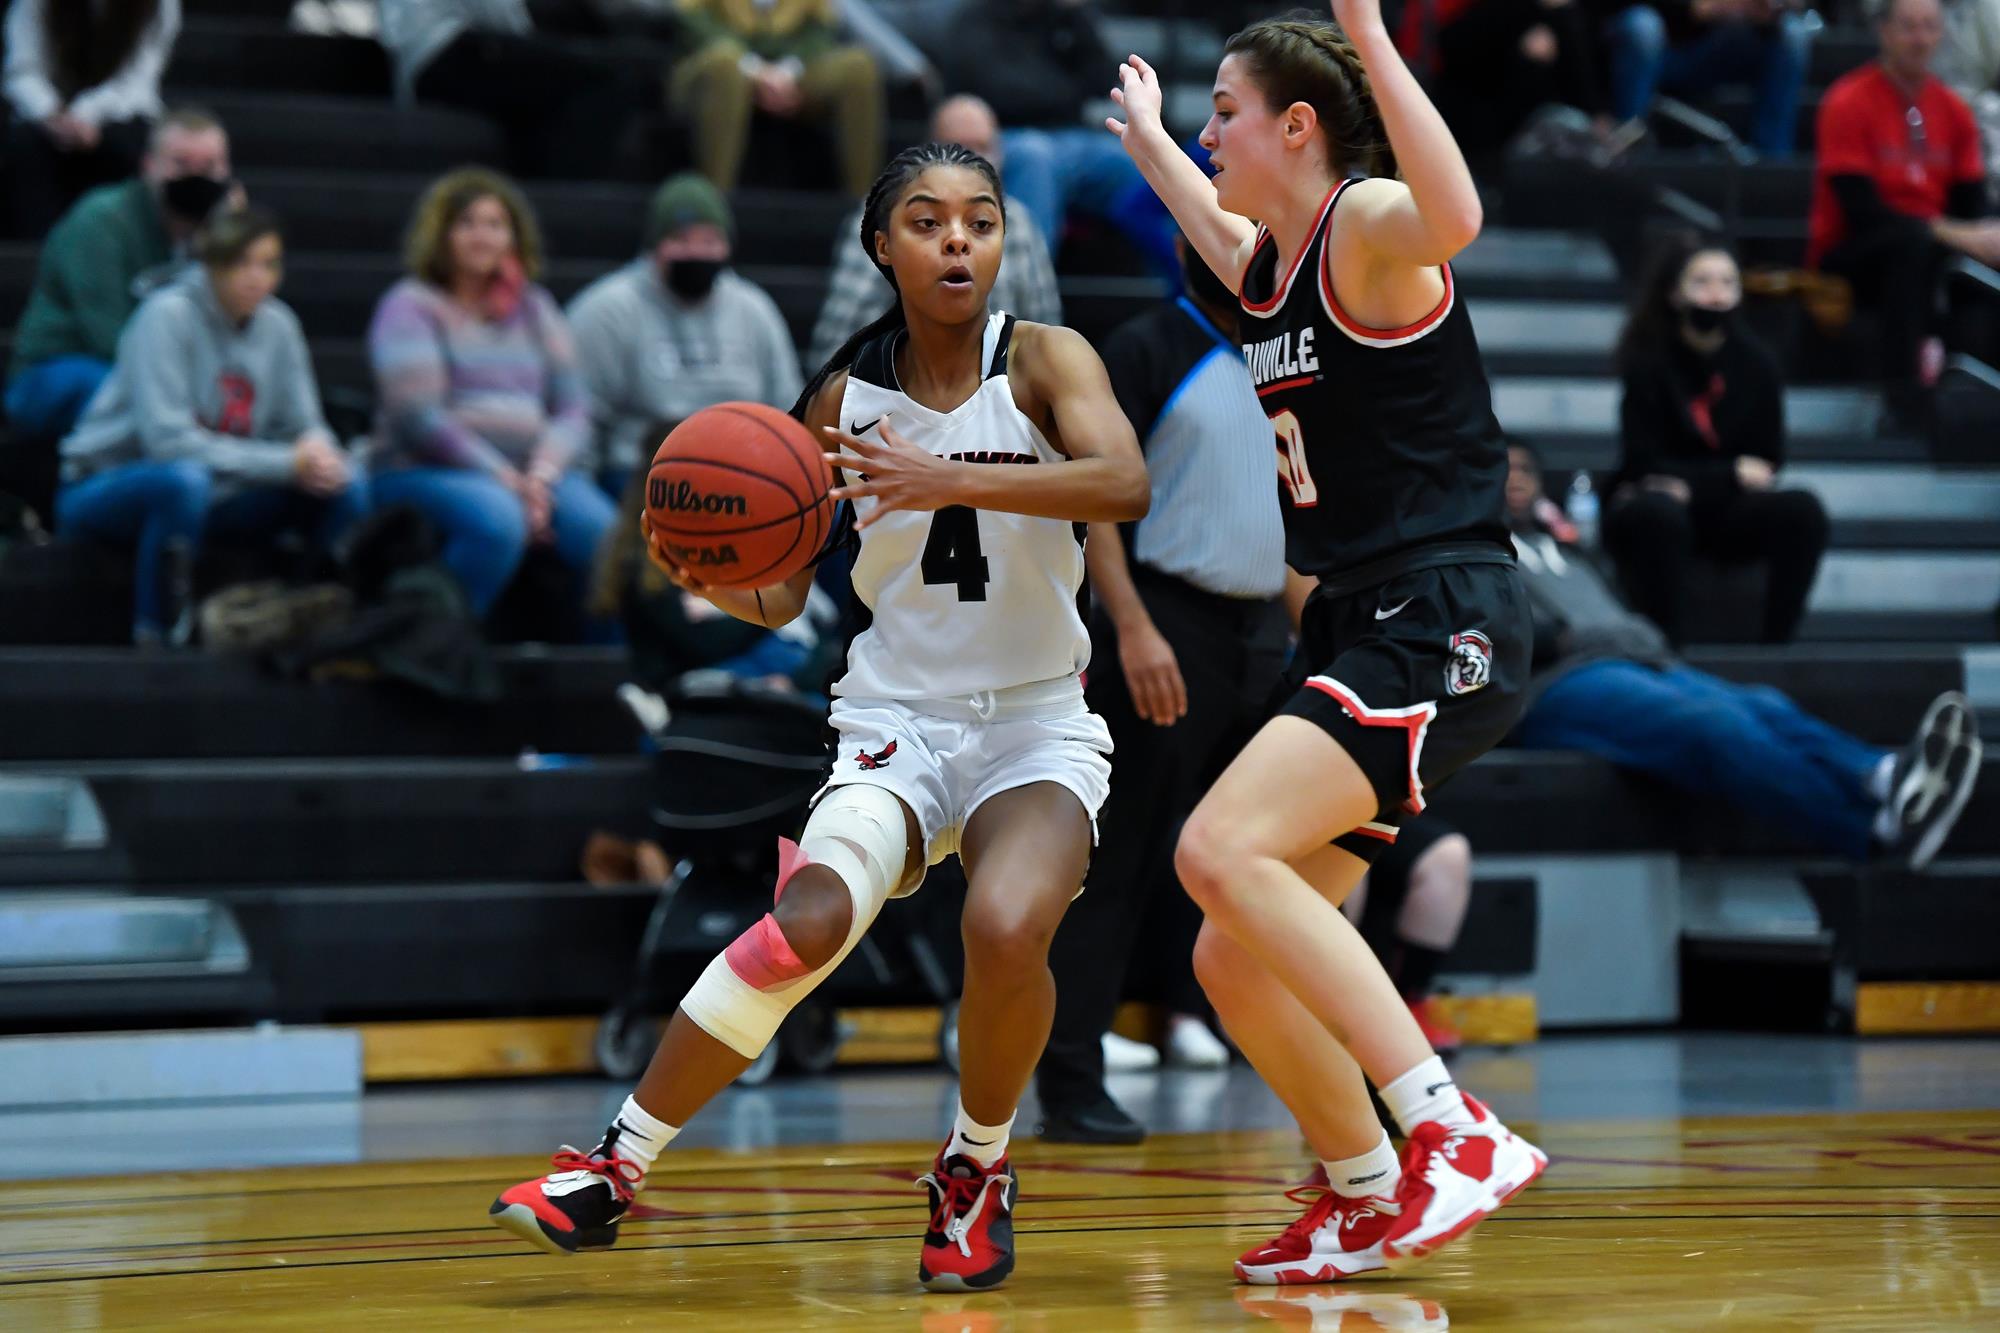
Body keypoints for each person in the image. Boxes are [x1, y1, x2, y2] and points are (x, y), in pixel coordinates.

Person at [487, 141, 1149, 1291]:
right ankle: (611, 1166)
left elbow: (1123, 483)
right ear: (881, 247)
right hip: (895, 718)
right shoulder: (841, 399)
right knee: (805, 921)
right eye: (927, 221)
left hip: (1035, 722)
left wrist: (952, 478)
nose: (957, 240)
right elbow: (784, 594)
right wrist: (707, 572)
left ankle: (974, 1167)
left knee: (1003, 926)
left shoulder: (1046, 360)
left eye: (980, 220)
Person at [1109, 0, 1547, 1283]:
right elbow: (1211, 224)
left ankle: (1446, 1126)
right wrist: (1145, 139)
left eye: (1223, 113)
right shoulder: (1270, 272)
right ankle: (1361, 1186)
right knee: (1229, 948)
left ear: (1296, 127)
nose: (1208, 135)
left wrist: (1365, 24)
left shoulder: (1364, 227)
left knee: (1214, 848)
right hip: (1364, 616)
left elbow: (1454, 215)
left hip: (1441, 607)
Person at [1036, 235, 1290, 1146]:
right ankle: (1071, 1075)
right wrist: (1133, 626)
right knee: (1120, 856)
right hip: (1165, 620)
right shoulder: (1146, 349)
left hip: (1265, 630)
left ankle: (1219, 1021)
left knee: (1246, 853)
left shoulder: (1290, 351)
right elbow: (1093, 498)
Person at [1508, 438, 1982, 868]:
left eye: (1525, 469)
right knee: (1715, 724)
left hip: (1634, 660)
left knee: (1763, 703)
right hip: (1555, 685)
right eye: (1499, 468)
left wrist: (1626, 635)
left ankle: (1883, 776)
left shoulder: (1568, 550)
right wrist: (1568, 639)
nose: (1515, 478)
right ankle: (1875, 832)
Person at [54, 208, 362, 645]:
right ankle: (158, 637)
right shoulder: (165, 316)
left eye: (268, 264)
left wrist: (320, 453)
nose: (256, 277)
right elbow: (168, 444)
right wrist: (287, 463)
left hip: (221, 490)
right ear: (211, 264)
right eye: (242, 263)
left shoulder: (279, 324)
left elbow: (304, 425)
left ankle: (307, 623)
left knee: (348, 485)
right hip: (108, 485)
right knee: (183, 482)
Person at [367, 168, 614, 621]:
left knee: (605, 534)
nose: (482, 236)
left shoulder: (536, 307)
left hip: (531, 472)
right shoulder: (410, 305)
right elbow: (418, 416)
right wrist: (502, 476)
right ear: (440, 234)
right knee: (497, 520)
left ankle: (608, 656)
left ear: (514, 237)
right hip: (425, 468)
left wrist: (541, 475)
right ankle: (437, 641)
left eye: (495, 224)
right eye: (467, 223)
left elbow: (574, 409)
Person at [1600, 235, 1828, 646]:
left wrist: (1694, 483)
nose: (1717, 295)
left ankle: (1775, 646)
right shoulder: (1648, 362)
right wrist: (1730, 475)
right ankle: (1665, 648)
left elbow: (1768, 460)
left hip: (1725, 508)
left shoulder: (1757, 363)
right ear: (1675, 293)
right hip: (1659, 508)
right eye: (1702, 282)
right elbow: (1643, 463)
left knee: (1803, 510)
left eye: (1727, 283)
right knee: (1659, 514)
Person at [1810, 0, 1996, 428]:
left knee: (1976, 257)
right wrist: (1947, 233)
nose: (1920, 39)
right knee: (1911, 247)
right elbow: (1860, 209)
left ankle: (1979, 407)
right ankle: (1903, 404)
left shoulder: (1953, 109)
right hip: (1853, 252)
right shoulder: (1847, 99)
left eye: (1929, 27)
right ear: (1884, 32)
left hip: (1931, 246)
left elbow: (1970, 202)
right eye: (1909, 27)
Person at [567, 172, 804, 497]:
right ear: (653, 246)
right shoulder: (608, 310)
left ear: (727, 247)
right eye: (680, 240)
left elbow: (789, 408)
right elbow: (580, 413)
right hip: (641, 475)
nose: (696, 252)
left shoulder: (754, 310)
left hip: (744, 473)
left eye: (709, 241)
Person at [5, 107, 234, 441]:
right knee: (117, 392)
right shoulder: (101, 221)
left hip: (156, 378)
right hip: (60, 368)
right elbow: (108, 336)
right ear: (149, 165)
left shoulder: (218, 231)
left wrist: (230, 242)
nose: (196, 179)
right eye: (181, 164)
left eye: (210, 167)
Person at [808, 95, 1061, 370]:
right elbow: (835, 346)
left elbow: (1045, 339)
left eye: (983, 148)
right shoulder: (884, 214)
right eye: (958, 148)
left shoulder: (1020, 222)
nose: (971, 163)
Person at [932, 0, 1177, 280]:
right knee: (1035, 156)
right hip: (1006, 133)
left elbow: (1101, 80)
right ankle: (1028, 285)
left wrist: (1076, 17)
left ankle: (1181, 281)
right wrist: (1068, 94)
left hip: (1072, 137)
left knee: (1133, 159)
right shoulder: (977, 20)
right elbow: (1006, 92)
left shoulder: (1060, 18)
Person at [375, 0, 635, 177]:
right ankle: (564, 201)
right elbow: (499, 14)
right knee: (601, 83)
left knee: (543, 91)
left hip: (418, 63)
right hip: (450, 48)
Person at [669, 0, 884, 198]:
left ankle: (864, 207)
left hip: (793, 68)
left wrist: (786, 72)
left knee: (859, 65)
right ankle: (714, 206)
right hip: (714, 65)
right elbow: (694, 26)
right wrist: (755, 69)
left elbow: (819, 31)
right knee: (725, 64)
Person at [3, 0, 181, 238]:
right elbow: (21, 69)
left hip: (119, 114)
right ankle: (36, 245)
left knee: (132, 146)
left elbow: (137, 80)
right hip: (47, 118)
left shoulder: (159, 5)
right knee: (23, 145)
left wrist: (84, 116)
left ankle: (117, 239)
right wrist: (51, 112)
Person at [1602, 0, 1814, 157]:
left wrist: (1770, 9)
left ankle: (1771, 162)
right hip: (1654, 48)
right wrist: (1702, 8)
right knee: (1643, 26)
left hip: (1715, 46)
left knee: (1792, 34)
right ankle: (1627, 141)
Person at [1342, 816, 1474, 1052]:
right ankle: (1333, 1007)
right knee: (1347, 858)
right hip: (1302, 819)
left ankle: (1407, 1005)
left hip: (1365, 816)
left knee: (1448, 854)